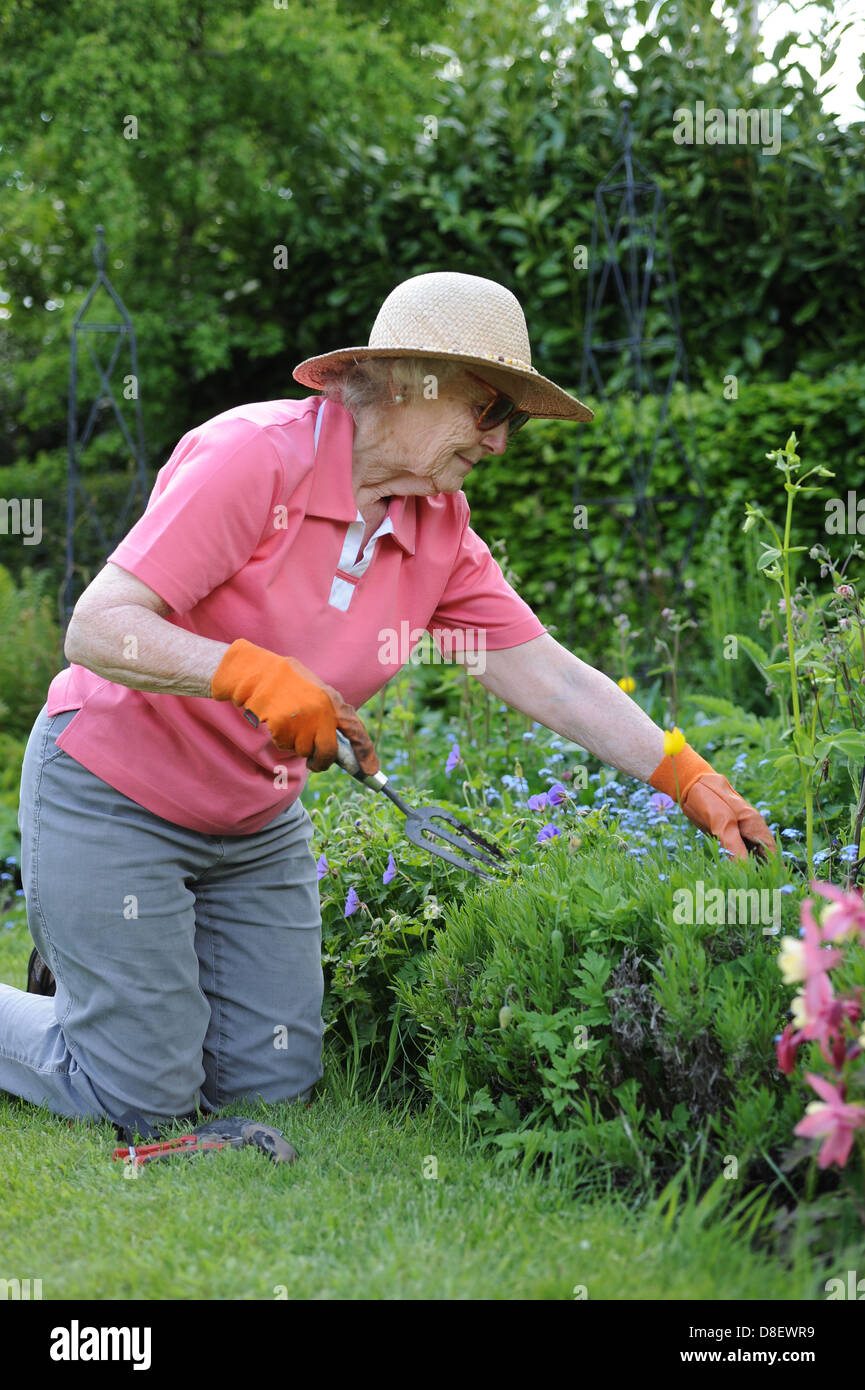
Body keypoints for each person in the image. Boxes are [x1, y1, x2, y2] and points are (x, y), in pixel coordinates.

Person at [0, 271, 775, 1129]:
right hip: (116, 792)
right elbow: (100, 628)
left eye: (511, 422)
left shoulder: (439, 526)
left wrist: (686, 777)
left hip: (253, 826)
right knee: (138, 1098)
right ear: (411, 379)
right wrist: (254, 675)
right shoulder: (254, 456)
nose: (500, 443)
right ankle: (98, 1005)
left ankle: (119, 989)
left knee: (273, 1086)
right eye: (492, 412)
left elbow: (549, 676)